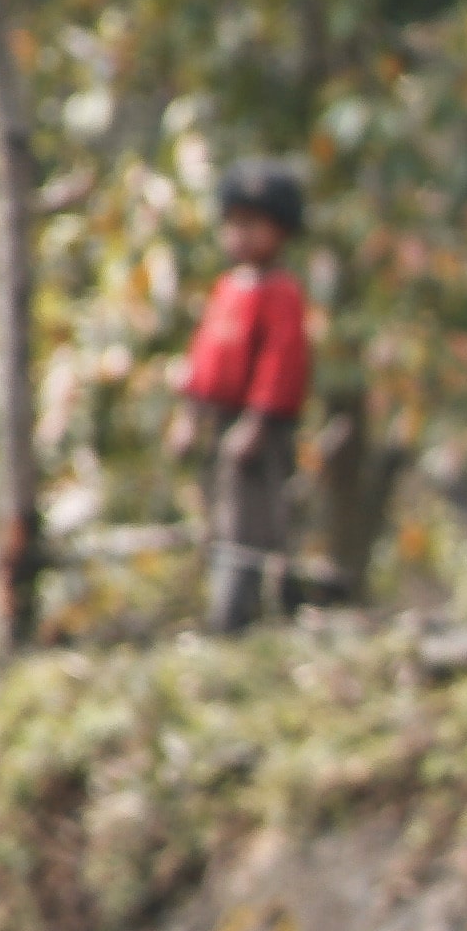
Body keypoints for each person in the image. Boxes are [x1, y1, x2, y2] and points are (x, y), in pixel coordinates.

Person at [165, 160, 312, 634]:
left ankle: (243, 619)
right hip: (220, 420)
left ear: (280, 231)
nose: (241, 236)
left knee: (251, 526)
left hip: (259, 430)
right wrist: (189, 415)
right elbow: (206, 356)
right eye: (235, 225)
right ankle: (217, 613)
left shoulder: (281, 293)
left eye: (253, 225)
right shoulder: (228, 288)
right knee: (217, 517)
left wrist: (258, 423)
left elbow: (281, 362)